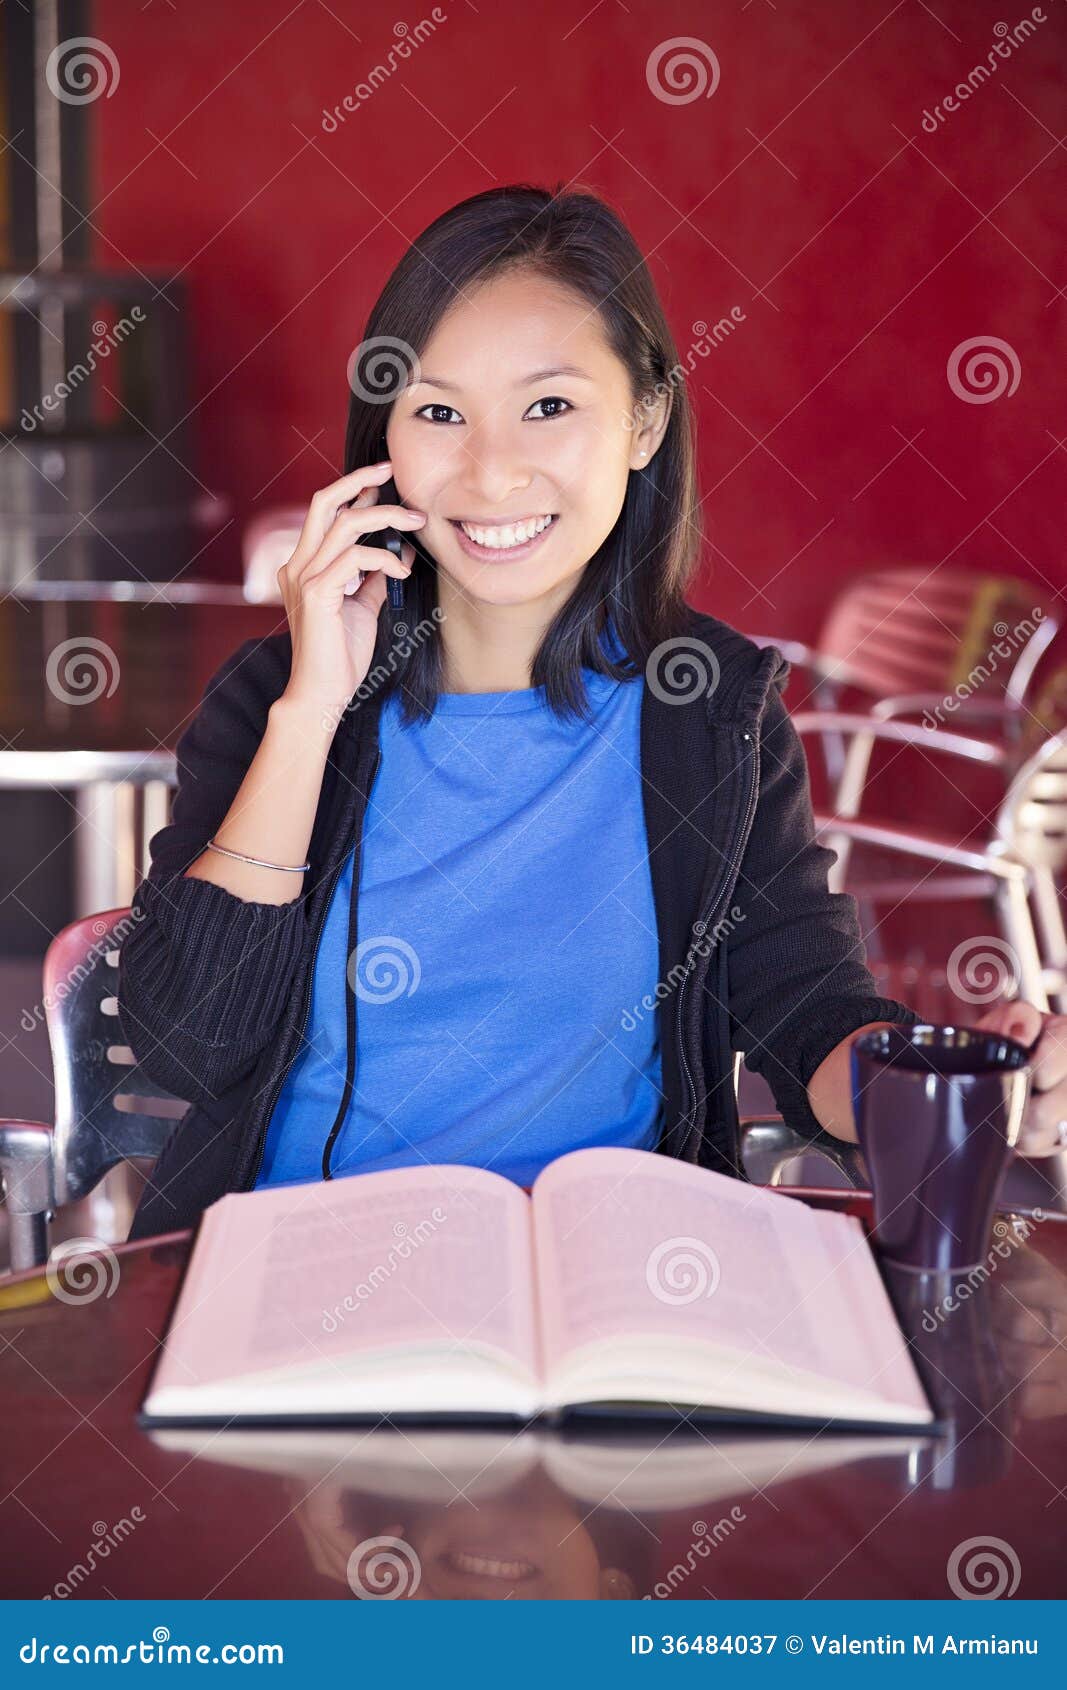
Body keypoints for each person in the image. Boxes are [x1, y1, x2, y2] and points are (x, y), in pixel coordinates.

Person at [117, 182, 1067, 1243]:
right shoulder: (274, 699)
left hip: (610, 1283)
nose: (491, 470)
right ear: (384, 438)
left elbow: (808, 1019)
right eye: (439, 412)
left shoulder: (709, 715)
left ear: (644, 420)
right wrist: (310, 711)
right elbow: (188, 1046)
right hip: (292, 1273)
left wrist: (947, 1074)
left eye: (549, 405)